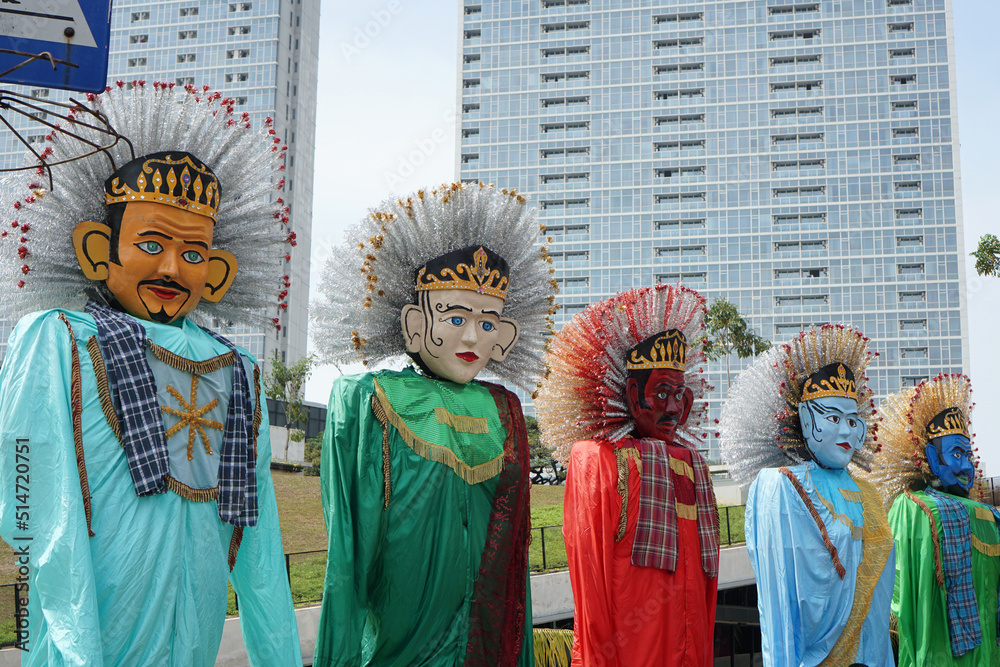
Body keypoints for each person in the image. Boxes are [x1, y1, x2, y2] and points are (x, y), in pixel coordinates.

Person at [0, 82, 301, 665]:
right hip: (95, 618)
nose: (171, 267)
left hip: (196, 628)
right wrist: (71, 626)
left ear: (214, 273)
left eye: (191, 253)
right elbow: (27, 486)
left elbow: (257, 536)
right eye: (150, 242)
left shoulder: (240, 372)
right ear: (98, 249)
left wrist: (279, 654)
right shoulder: (59, 337)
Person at [310, 182, 557, 666]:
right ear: (414, 323)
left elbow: (515, 567)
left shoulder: (505, 411)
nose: (471, 336)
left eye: (487, 322)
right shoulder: (368, 399)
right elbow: (347, 561)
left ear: (504, 336)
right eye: (454, 316)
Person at [534, 284, 719, 666]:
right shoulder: (600, 461)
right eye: (660, 392)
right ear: (633, 397)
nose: (671, 408)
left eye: (679, 395)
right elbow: (592, 584)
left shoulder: (694, 466)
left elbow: (706, 588)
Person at [719, 324, 895, 667]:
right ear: (804, 418)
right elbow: (782, 600)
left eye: (852, 419)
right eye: (832, 417)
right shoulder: (781, 486)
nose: (845, 430)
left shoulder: (869, 494)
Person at [865, 373, 1000, 666]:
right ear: (933, 459)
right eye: (955, 454)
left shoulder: (991, 517)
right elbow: (899, 590)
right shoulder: (913, 507)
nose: (966, 466)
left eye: (969, 455)